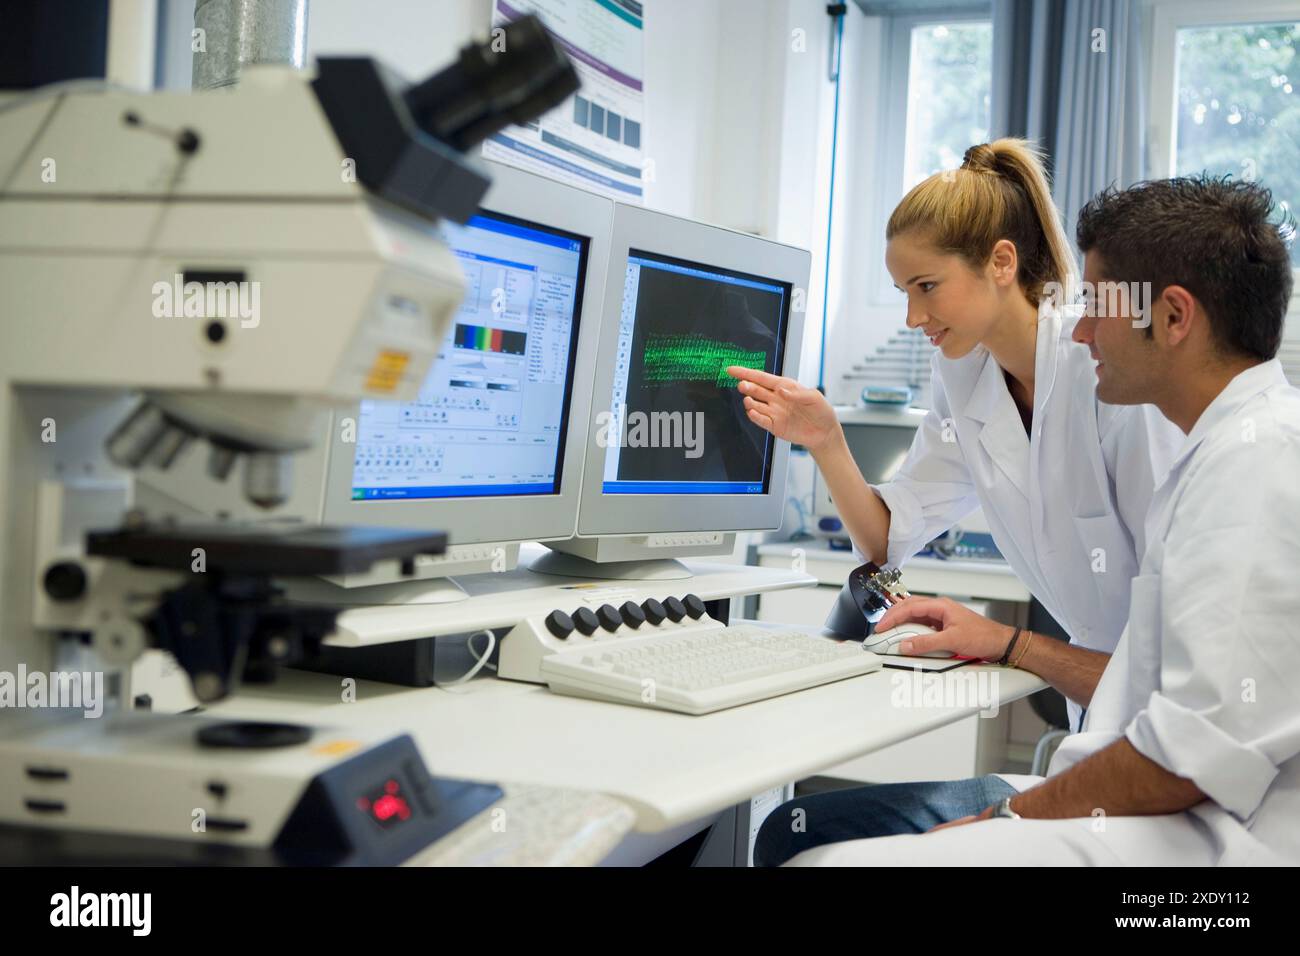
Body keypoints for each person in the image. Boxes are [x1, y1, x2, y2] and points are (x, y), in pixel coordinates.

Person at [781, 174, 1299, 866]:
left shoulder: (1245, 461)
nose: (1082, 329)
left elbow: (1188, 756)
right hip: (1148, 782)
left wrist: (1006, 815)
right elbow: (1165, 703)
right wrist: (1003, 642)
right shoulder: (1220, 451)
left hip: (1210, 830)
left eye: (1098, 307)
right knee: (811, 832)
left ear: (1174, 319)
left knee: (827, 859)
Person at [730, 139, 1180, 863]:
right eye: (903, 292)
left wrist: (1007, 643)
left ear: (1002, 263)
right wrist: (825, 441)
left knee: (800, 835)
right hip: (1102, 729)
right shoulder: (965, 377)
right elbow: (887, 539)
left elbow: (1175, 674)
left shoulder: (1110, 377)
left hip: (1158, 756)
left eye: (926, 287)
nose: (913, 318)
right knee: (790, 830)